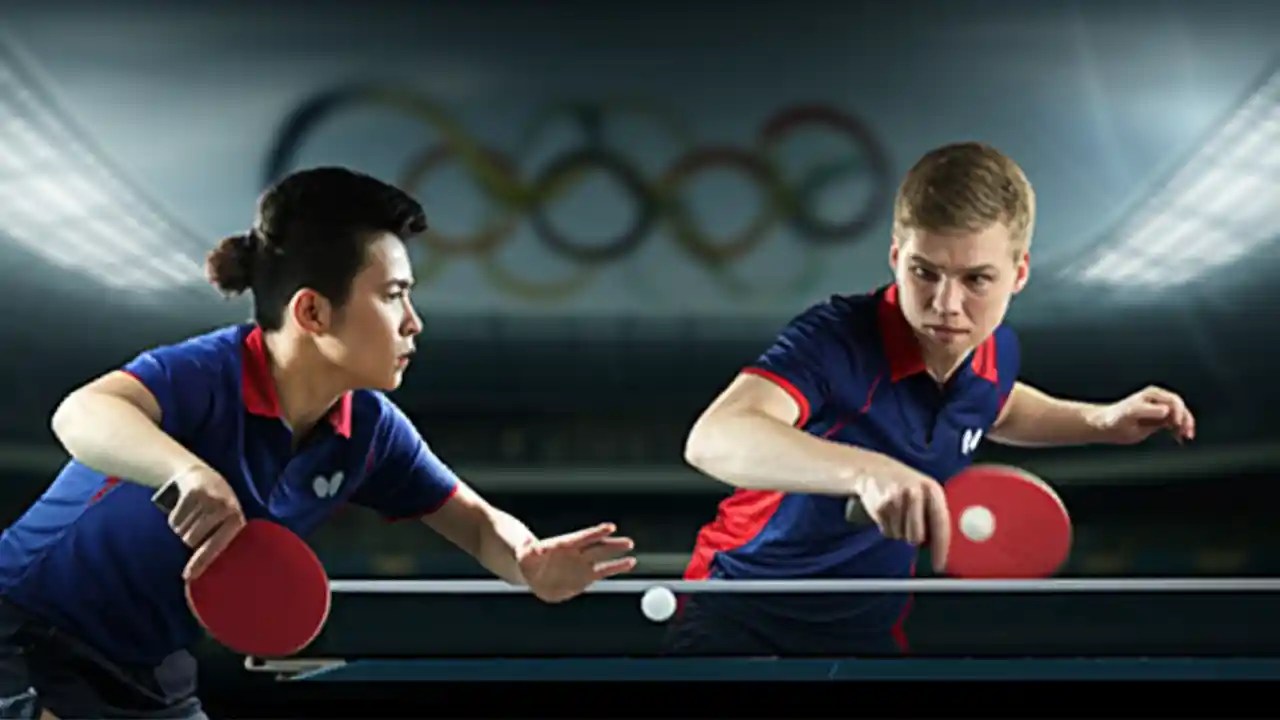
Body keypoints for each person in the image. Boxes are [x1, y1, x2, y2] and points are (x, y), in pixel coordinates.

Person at [0, 167, 637, 719]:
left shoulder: (370, 430)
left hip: (149, 665)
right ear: (312, 313)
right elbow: (82, 412)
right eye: (393, 296)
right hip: (26, 631)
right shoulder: (206, 374)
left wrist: (529, 560)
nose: (414, 322)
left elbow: (472, 524)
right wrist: (188, 471)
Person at [665, 141, 1196, 656]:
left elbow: (997, 406)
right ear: (896, 257)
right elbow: (715, 437)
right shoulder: (834, 340)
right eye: (925, 272)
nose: (946, 304)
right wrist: (868, 473)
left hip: (865, 629)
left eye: (976, 280)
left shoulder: (995, 354)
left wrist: (1099, 420)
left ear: (1019, 274)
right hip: (741, 610)